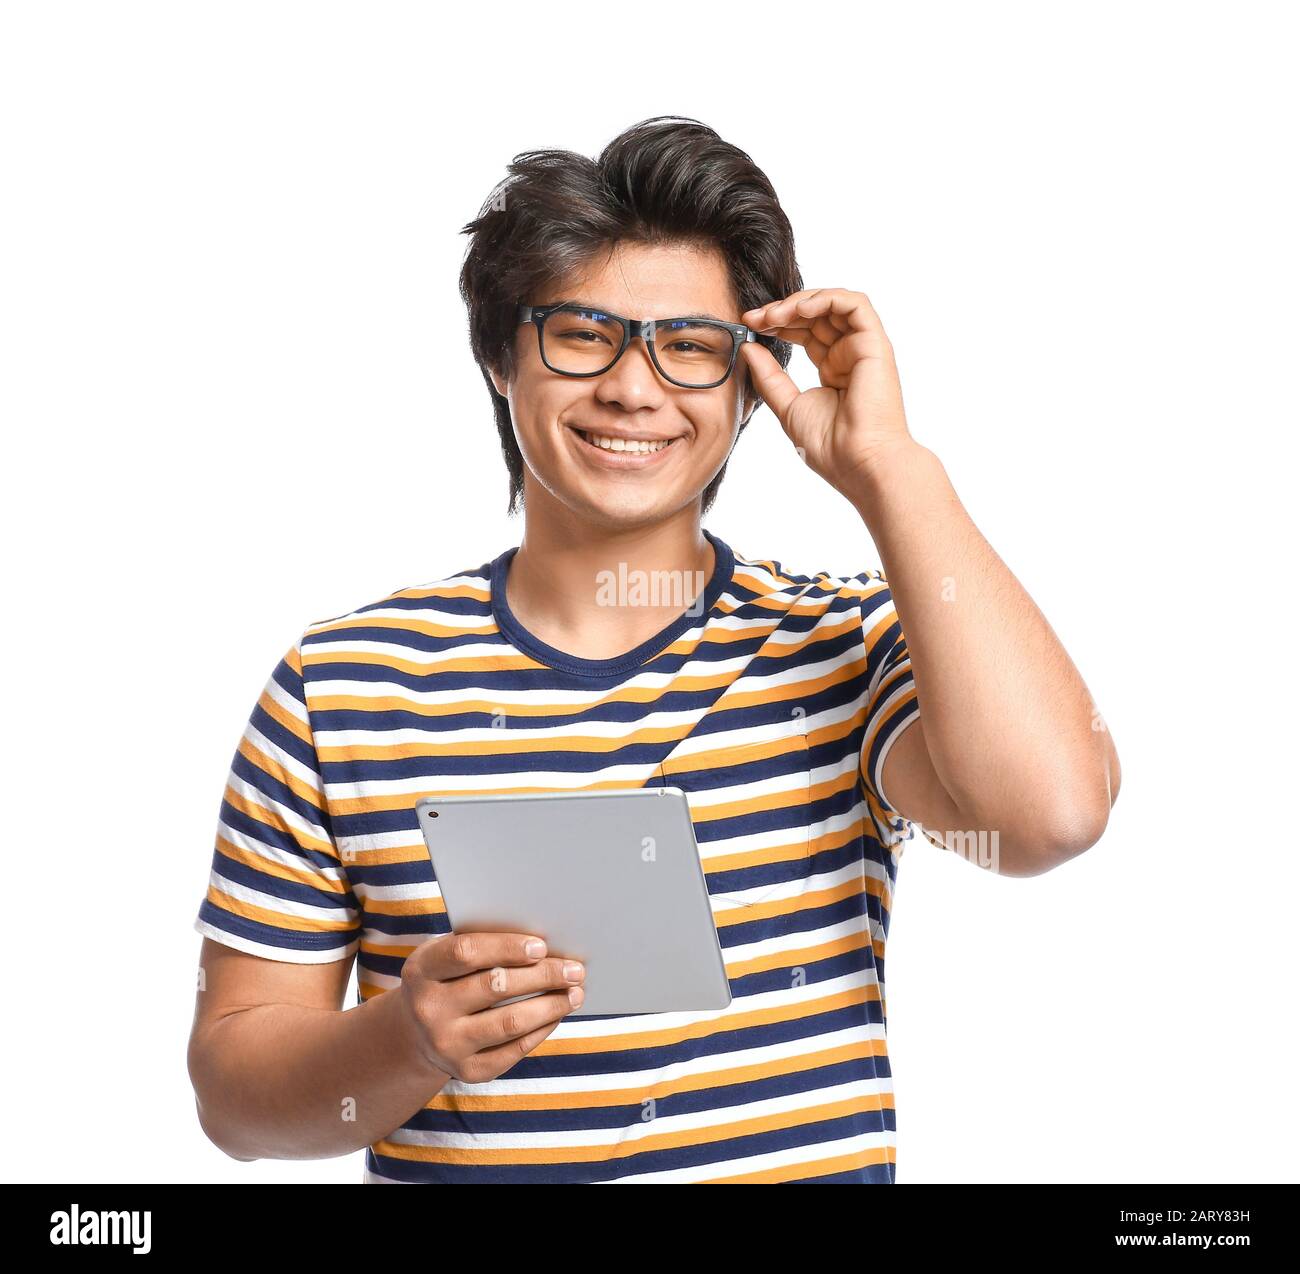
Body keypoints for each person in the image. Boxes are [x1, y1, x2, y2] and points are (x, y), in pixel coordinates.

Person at [187, 115, 1120, 1184]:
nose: (636, 387)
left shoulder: (842, 642)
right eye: (583, 332)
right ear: (501, 355)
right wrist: (404, 1039)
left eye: (690, 346)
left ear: (745, 383)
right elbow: (234, 1099)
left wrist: (891, 469)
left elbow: (1051, 814)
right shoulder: (341, 685)